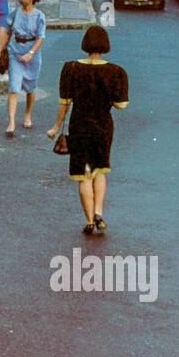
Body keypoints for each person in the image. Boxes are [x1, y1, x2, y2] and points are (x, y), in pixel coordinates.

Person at [46, 26, 129, 236]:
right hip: (103, 126)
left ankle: (90, 219)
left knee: (84, 175)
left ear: (84, 43)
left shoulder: (71, 68)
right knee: (100, 169)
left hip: (79, 125)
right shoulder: (117, 72)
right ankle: (100, 212)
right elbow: (121, 105)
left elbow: (64, 103)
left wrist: (56, 127)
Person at [0, 0, 46, 138]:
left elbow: (41, 37)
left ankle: (27, 115)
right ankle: (11, 122)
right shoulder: (15, 13)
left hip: (32, 54)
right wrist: (0, 50)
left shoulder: (39, 15)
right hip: (15, 51)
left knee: (31, 88)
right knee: (13, 87)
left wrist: (31, 53)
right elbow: (5, 30)